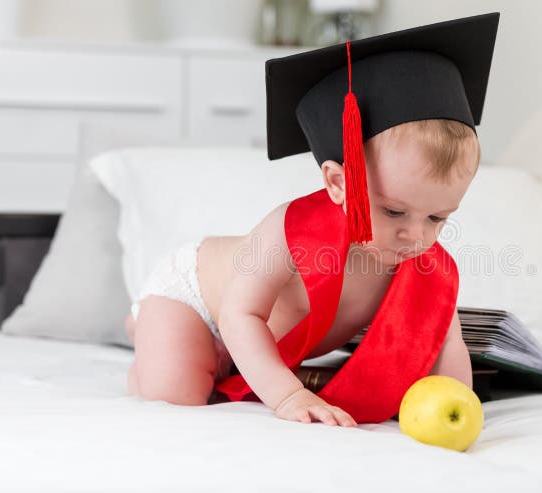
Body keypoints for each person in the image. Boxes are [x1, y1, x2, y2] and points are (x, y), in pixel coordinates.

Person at [124, 12, 499, 427]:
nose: (415, 234)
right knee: (177, 394)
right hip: (199, 303)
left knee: (236, 367)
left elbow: (446, 342)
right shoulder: (289, 230)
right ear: (338, 182)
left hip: (259, 340)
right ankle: (145, 328)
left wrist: (460, 407)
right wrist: (288, 396)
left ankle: (222, 360)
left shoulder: (421, 263)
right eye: (394, 210)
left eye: (437, 217)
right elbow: (239, 315)